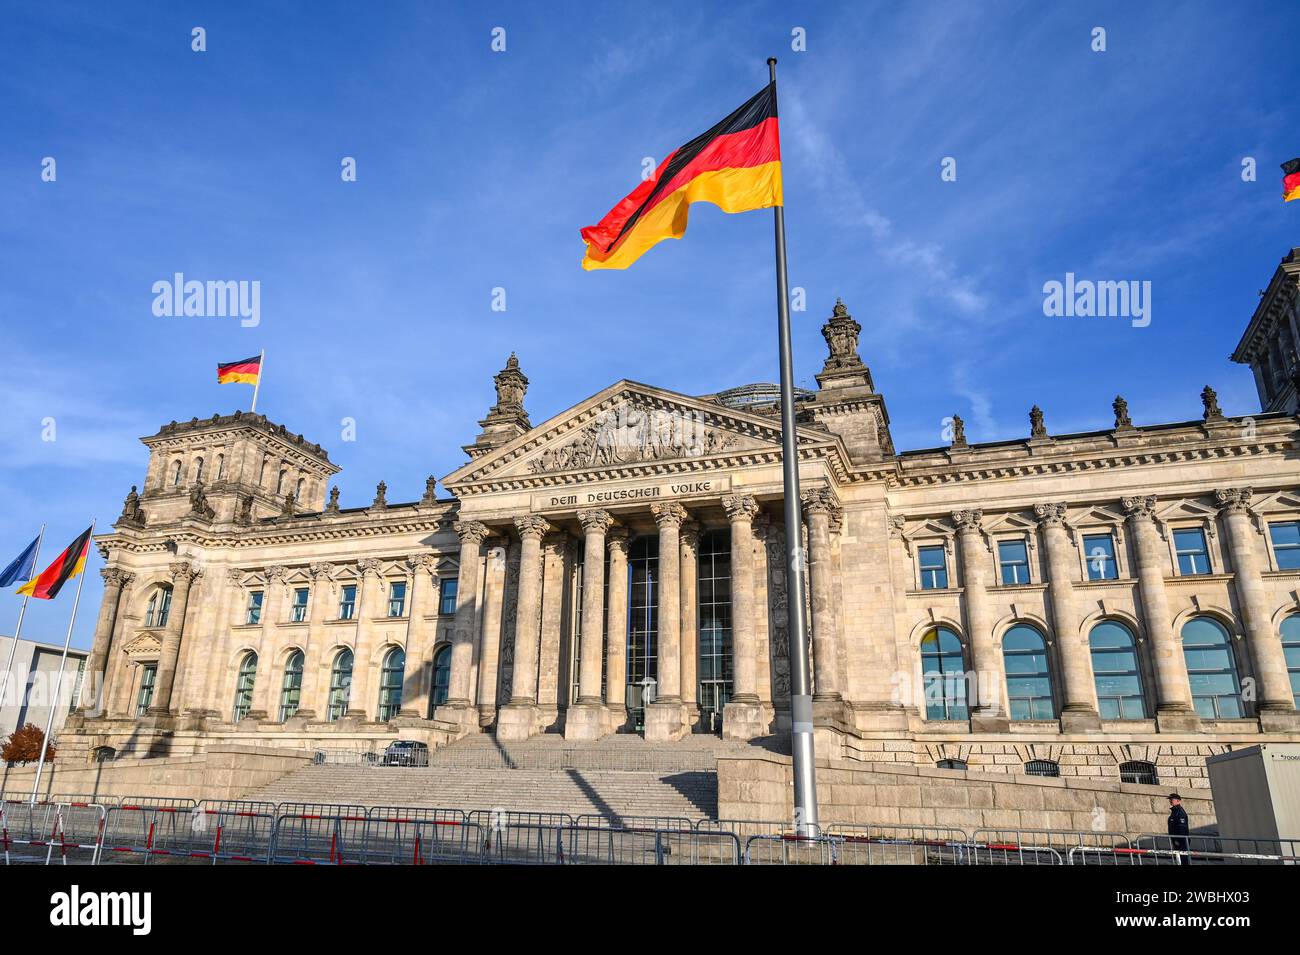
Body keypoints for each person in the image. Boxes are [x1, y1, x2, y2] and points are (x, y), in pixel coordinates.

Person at [1167, 793, 1190, 865]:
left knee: (1183, 860)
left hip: (1181, 841)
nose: (1170, 801)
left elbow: (1182, 828)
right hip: (1176, 840)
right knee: (1178, 860)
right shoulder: (1174, 812)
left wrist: (1178, 840)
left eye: (1172, 799)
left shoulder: (1180, 812)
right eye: (1170, 799)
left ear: (1178, 801)